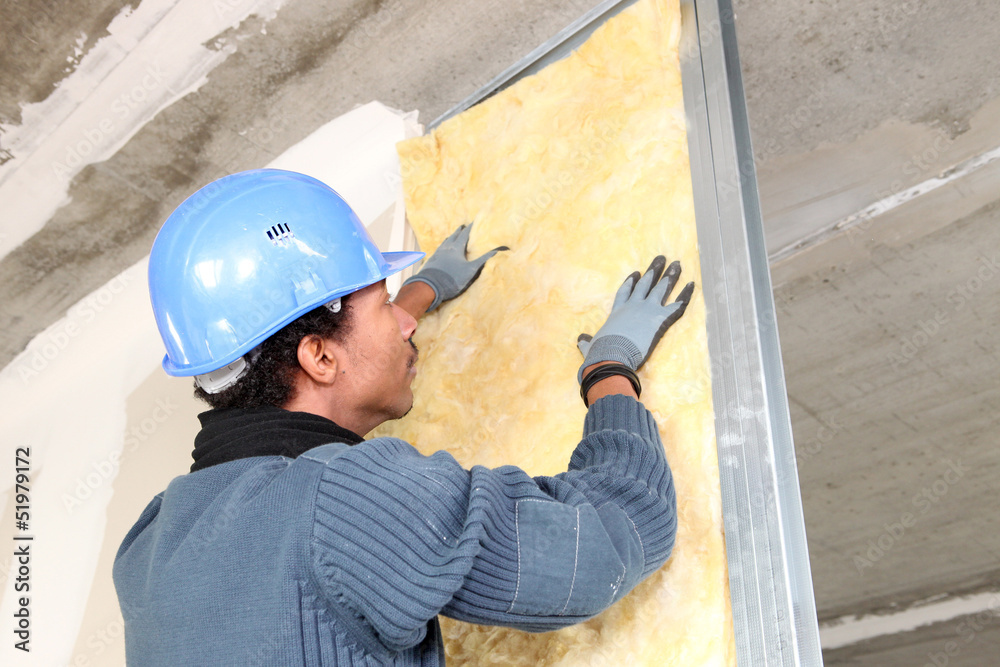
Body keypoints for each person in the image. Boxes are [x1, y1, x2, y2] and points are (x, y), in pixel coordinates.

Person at [113, 168, 694, 666]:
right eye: (383, 302)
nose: (405, 322)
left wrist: (416, 294)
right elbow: (608, 539)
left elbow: (333, 354)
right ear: (317, 356)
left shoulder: (148, 544)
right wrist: (609, 372)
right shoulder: (350, 500)